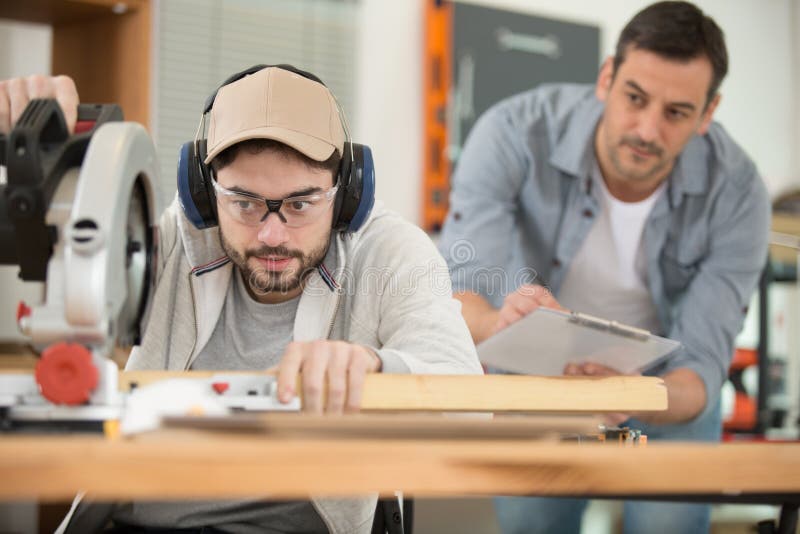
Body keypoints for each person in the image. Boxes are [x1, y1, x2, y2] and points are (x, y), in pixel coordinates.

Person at [1, 65, 482, 533]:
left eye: (300, 203)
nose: (271, 233)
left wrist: (375, 367)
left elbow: (469, 406)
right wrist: (51, 156)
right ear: (203, 194)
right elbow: (82, 246)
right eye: (245, 202)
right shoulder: (165, 240)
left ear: (348, 192)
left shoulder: (389, 252)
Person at [438, 2, 770, 533]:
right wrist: (502, 323)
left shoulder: (738, 193)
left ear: (708, 113)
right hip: (537, 383)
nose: (646, 130)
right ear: (607, 78)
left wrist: (634, 392)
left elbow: (702, 366)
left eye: (677, 113)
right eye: (634, 98)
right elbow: (462, 296)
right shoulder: (511, 134)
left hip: (664, 391)